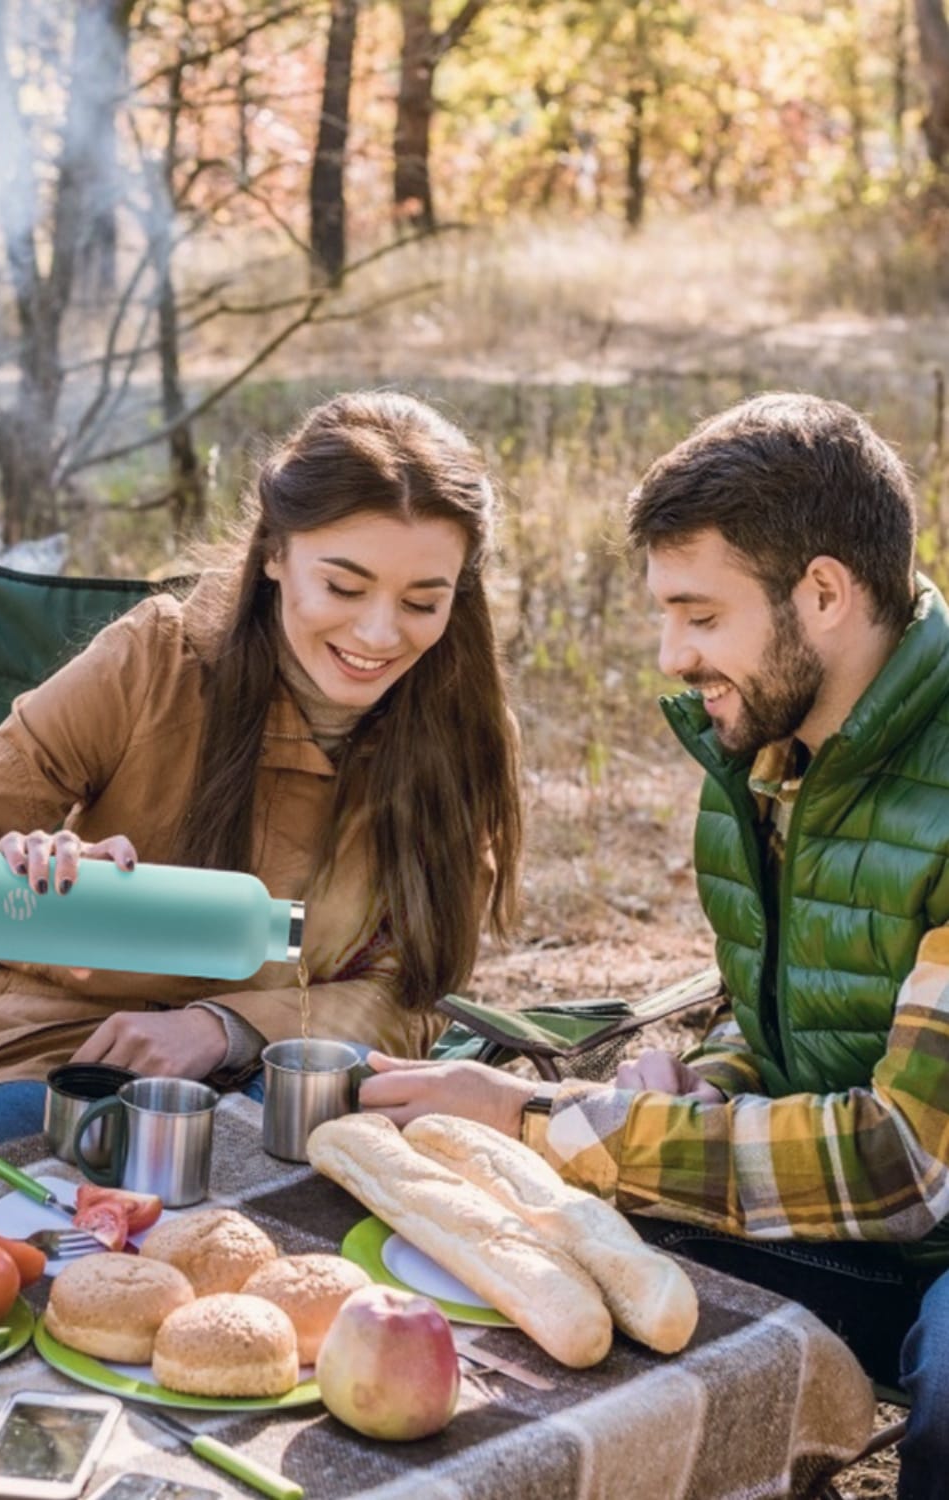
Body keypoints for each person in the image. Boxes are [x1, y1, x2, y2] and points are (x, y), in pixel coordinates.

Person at [360, 393, 949, 1500]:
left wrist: (548, 1121)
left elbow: (902, 1162)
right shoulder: (770, 747)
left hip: (925, 1209)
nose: (672, 655)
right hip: (867, 1221)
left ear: (824, 594)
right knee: (580, 1287)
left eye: (700, 614)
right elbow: (782, 1005)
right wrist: (705, 1076)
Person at [0, 390, 523, 1166]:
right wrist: (6, 894)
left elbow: (409, 998)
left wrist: (221, 1028)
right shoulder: (154, 664)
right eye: (344, 587)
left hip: (285, 1083)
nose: (377, 634)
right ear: (274, 555)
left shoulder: (459, 735)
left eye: (422, 602)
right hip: (59, 1065)